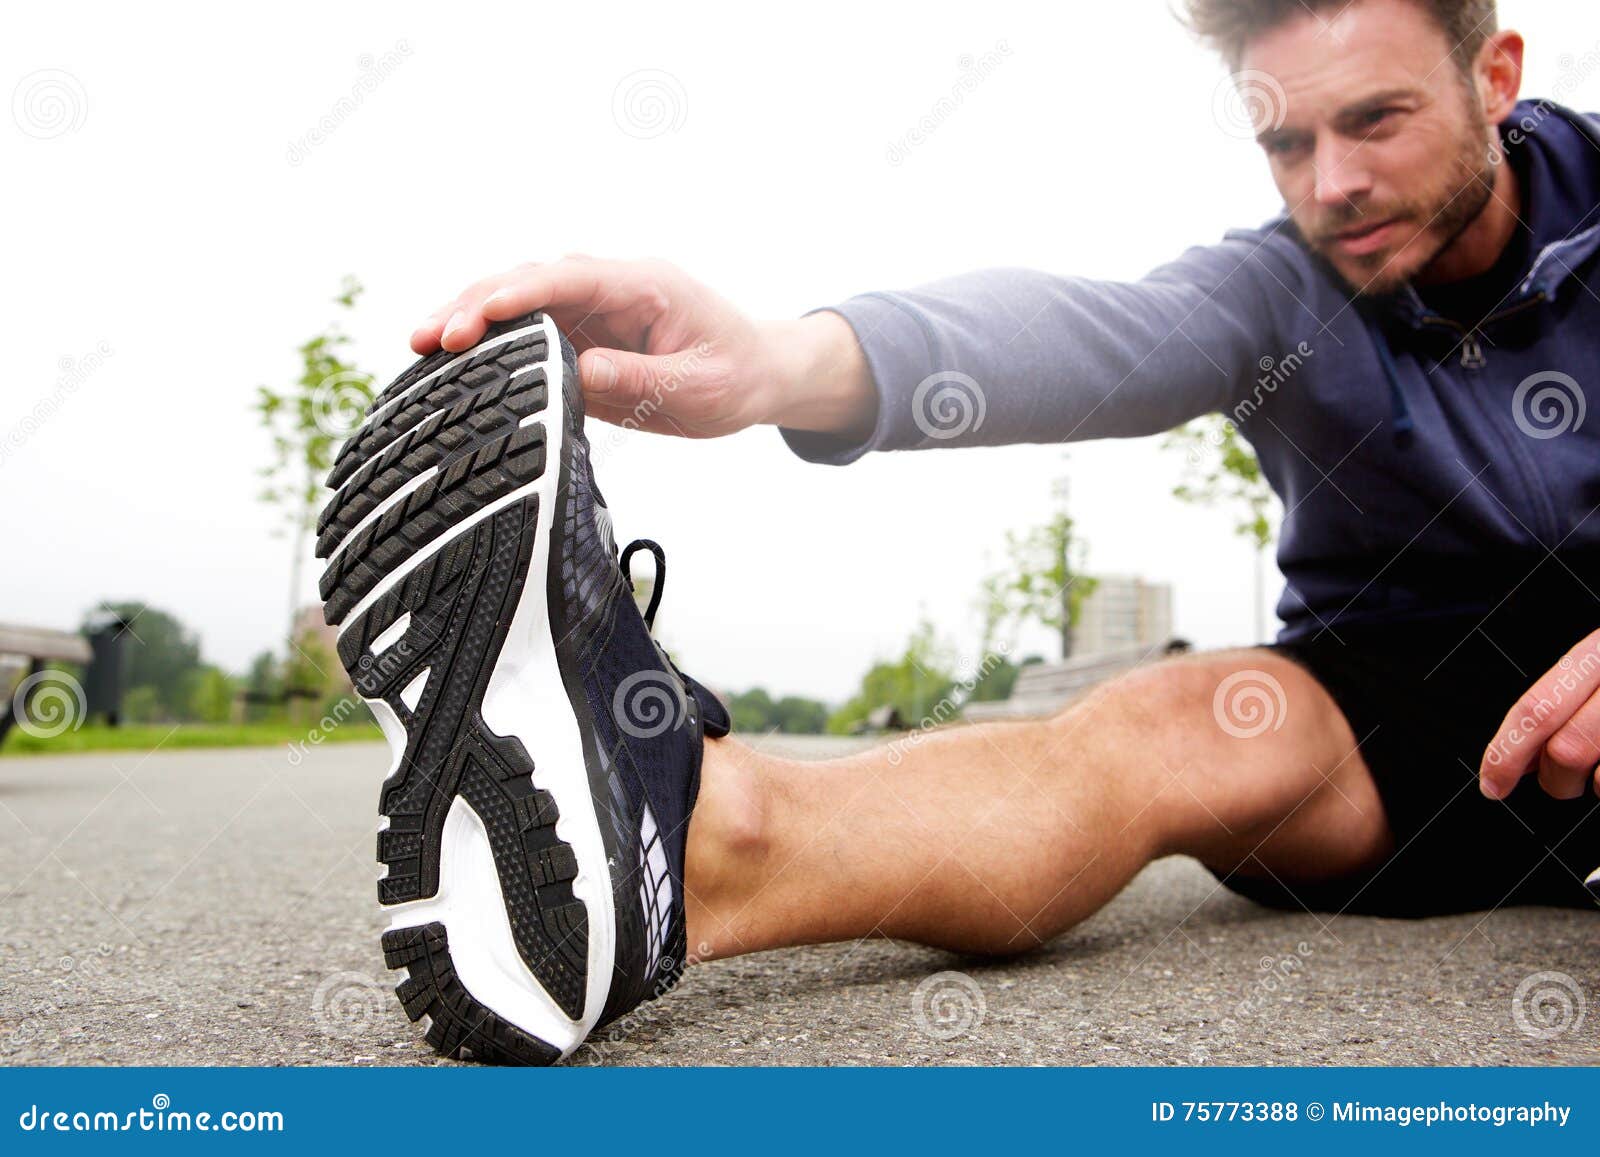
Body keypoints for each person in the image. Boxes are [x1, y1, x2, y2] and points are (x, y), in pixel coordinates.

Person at [328, 0, 1600, 1065]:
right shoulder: (1284, 287)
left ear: (1495, 76)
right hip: (1400, 727)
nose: (1333, 184)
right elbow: (1095, 333)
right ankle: (683, 855)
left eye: (1376, 120)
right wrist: (785, 362)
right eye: (1286, 142)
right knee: (1183, 717)